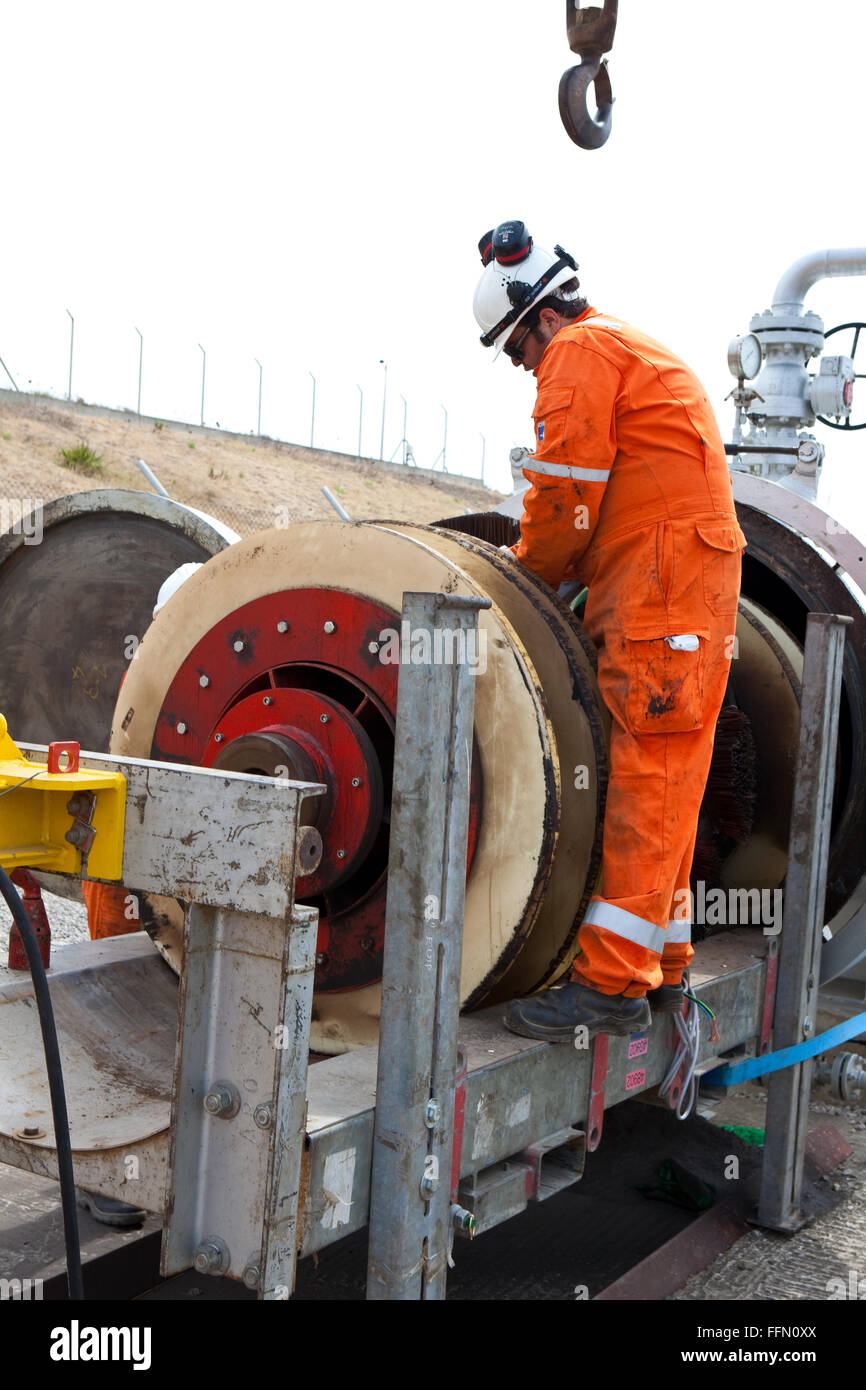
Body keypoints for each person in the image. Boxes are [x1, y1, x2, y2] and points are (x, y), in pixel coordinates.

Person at [473, 220, 746, 1041]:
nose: (525, 366)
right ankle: (658, 964)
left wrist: (522, 575)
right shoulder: (629, 349)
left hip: (663, 601)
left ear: (540, 318)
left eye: (517, 349)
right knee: (670, 787)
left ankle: (609, 990)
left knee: (645, 785)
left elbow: (564, 496)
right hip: (683, 596)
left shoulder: (580, 356)